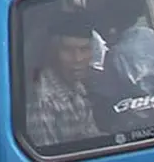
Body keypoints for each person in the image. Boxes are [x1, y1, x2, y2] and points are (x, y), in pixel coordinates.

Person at [23, 11, 99, 148]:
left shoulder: (78, 87)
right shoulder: (42, 100)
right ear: (53, 51)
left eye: (84, 49)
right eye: (68, 50)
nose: (77, 59)